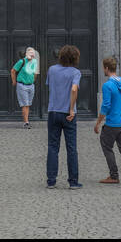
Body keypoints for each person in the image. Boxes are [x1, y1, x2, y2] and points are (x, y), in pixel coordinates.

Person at [94, 57, 121, 185]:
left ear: (107, 68)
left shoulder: (107, 85)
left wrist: (98, 123)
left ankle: (114, 175)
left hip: (112, 124)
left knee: (106, 146)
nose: (103, 69)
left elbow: (106, 106)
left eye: (103, 67)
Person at [45, 45, 82, 189]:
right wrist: (71, 109)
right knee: (71, 148)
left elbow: (50, 86)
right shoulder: (75, 72)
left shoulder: (52, 70)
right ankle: (73, 182)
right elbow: (74, 89)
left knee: (53, 147)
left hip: (53, 111)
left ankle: (51, 181)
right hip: (68, 114)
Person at [10, 47, 39, 128]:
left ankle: (27, 121)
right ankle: (26, 122)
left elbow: (35, 72)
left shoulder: (34, 62)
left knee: (28, 104)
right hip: (22, 85)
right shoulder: (21, 61)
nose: (32, 55)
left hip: (31, 85)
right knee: (24, 104)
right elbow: (13, 70)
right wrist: (14, 81)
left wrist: (33, 80)